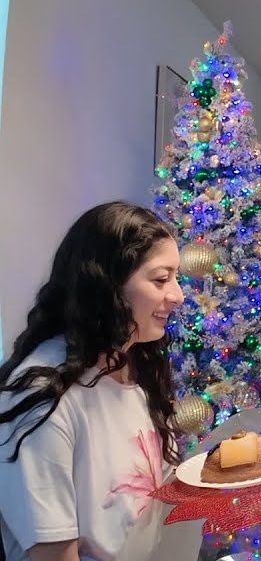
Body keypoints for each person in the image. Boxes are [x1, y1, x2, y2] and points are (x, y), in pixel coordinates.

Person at [0, 201, 185, 561]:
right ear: (108, 285)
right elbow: (54, 555)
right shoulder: (41, 395)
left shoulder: (133, 363)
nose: (177, 295)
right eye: (161, 279)